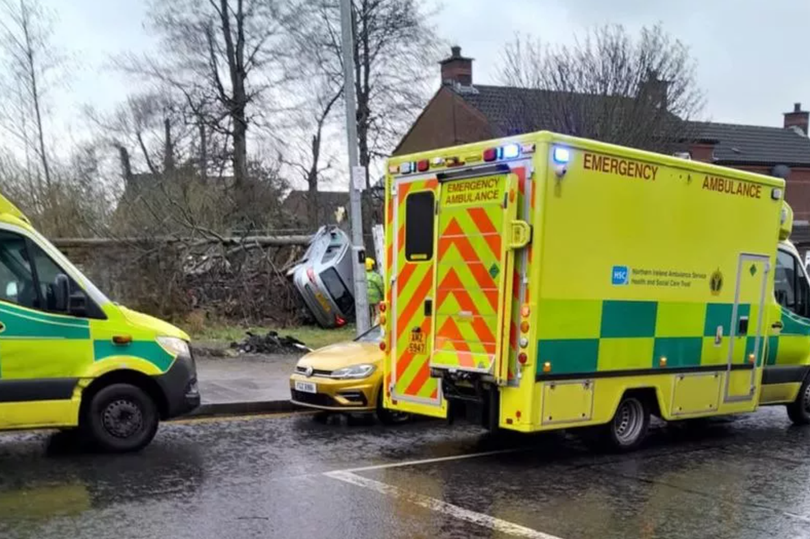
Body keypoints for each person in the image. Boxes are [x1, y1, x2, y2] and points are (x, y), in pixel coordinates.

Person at [365, 257, 383, 323]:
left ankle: (370, 324)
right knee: (378, 312)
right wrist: (384, 296)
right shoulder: (375, 276)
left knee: (370, 313)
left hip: (366, 298)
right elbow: (381, 286)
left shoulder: (362, 275)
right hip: (376, 298)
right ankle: (375, 325)